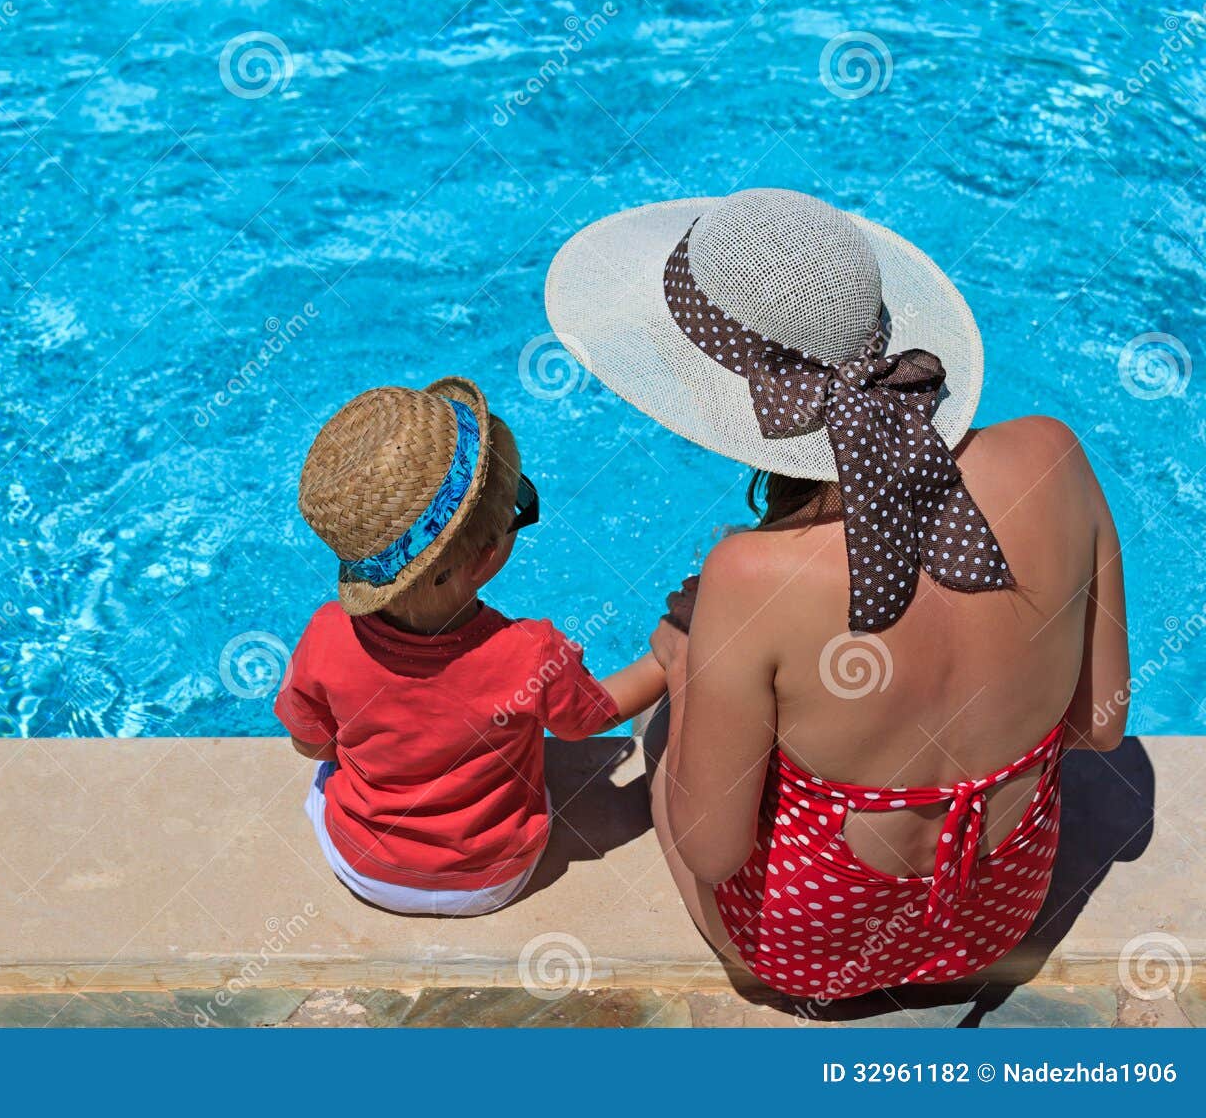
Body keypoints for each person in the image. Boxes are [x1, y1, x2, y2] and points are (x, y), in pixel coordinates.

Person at [545, 188, 1130, 998]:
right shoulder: (1052, 457)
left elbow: (715, 853)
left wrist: (685, 664)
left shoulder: (753, 575)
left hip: (803, 953)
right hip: (1002, 912)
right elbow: (1101, 726)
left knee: (666, 721)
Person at [275, 378, 666, 916]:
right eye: (518, 508)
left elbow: (313, 746)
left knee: (329, 777)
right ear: (485, 556)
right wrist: (667, 655)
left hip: (364, 869)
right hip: (493, 878)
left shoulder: (326, 635)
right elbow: (589, 718)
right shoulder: (531, 652)